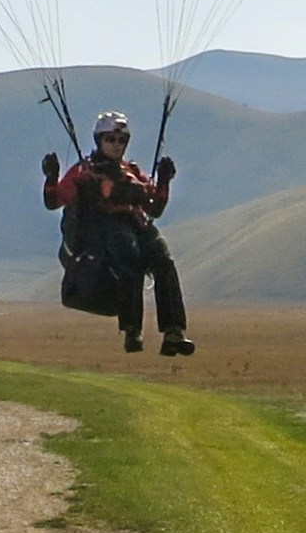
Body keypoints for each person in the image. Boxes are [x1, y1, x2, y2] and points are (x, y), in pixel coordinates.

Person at [43, 110, 193, 355]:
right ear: (99, 140)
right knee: (129, 258)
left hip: (137, 225)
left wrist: (164, 182)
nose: (116, 145)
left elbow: (155, 207)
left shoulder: (132, 171)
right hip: (104, 229)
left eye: (121, 140)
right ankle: (132, 329)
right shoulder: (84, 171)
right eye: (110, 139)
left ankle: (174, 332)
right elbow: (54, 201)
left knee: (164, 261)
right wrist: (51, 178)